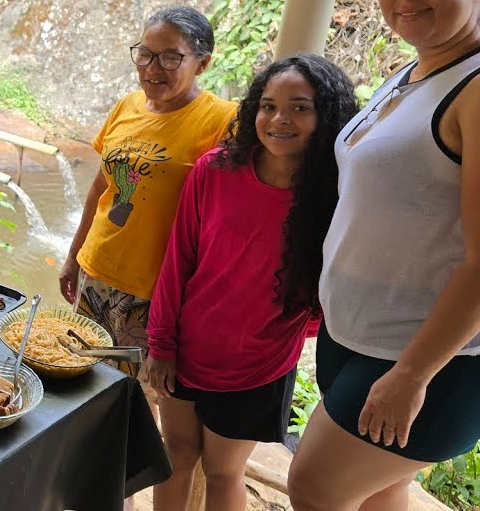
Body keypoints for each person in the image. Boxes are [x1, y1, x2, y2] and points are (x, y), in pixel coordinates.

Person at [287, 0, 480, 510]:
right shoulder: (417, 71)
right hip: (363, 332)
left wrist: (413, 375)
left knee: (314, 486)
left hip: (444, 356)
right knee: (383, 488)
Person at [145, 56, 359, 511]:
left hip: (258, 366)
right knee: (176, 456)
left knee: (224, 473)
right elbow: (178, 260)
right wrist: (161, 343)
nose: (280, 120)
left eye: (300, 107)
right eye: (268, 105)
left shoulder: (336, 198)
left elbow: (334, 293)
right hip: (186, 348)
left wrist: (285, 332)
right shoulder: (216, 171)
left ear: (328, 117)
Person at [57, 6, 236, 375]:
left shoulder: (222, 121)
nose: (153, 69)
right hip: (98, 271)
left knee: (143, 395)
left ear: (202, 64)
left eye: (171, 58)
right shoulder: (127, 105)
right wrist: (73, 257)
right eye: (145, 54)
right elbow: (100, 187)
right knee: (84, 379)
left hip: (158, 292)